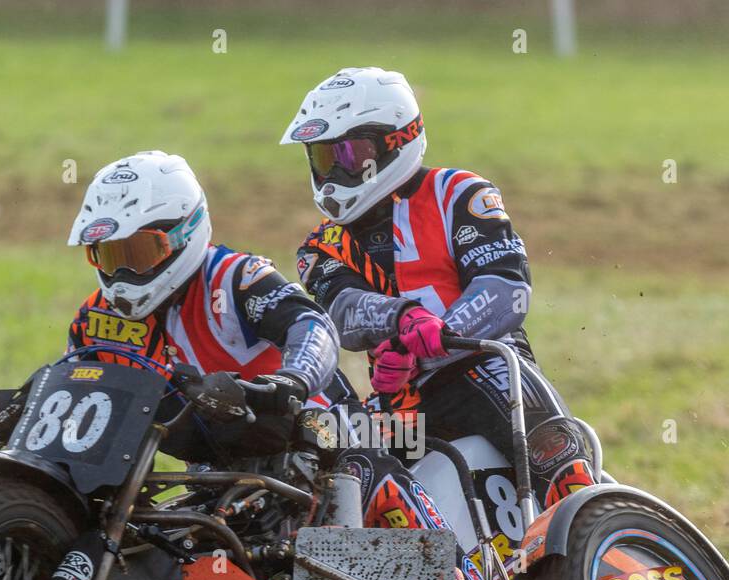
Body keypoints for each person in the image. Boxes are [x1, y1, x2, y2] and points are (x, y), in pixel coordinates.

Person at [279, 67, 594, 530]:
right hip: (400, 408)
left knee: (550, 446)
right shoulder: (319, 247)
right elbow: (343, 316)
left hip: (483, 368)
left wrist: (440, 337)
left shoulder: (458, 193)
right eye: (324, 157)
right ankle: (434, 570)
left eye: (350, 153)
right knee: (337, 460)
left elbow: (509, 291)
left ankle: (595, 535)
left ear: (395, 140)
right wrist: (403, 322)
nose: (335, 172)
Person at [65, 150, 350, 457]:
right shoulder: (96, 319)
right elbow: (72, 396)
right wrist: (25, 407)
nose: (123, 273)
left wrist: (293, 380)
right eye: (109, 256)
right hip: (217, 465)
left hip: (321, 433)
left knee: (377, 485)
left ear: (183, 233)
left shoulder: (235, 278)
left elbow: (311, 324)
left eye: (137, 254)